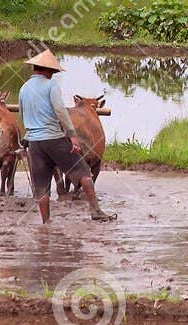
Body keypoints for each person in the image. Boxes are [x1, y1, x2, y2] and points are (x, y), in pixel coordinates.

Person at [19, 49, 116, 223]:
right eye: (52, 72)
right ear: (47, 70)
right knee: (84, 172)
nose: (53, 75)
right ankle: (95, 211)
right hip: (53, 139)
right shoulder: (51, 86)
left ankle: (46, 222)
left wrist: (29, 135)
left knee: (41, 187)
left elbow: (23, 113)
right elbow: (61, 112)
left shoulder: (23, 88)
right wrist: (72, 136)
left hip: (34, 143)